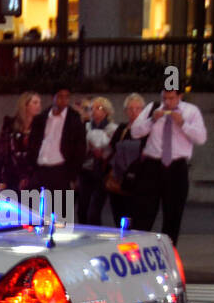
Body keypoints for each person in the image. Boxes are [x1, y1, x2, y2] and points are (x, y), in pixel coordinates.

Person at [128, 86, 207, 243]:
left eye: (171, 98)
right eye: (165, 98)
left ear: (180, 96)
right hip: (152, 165)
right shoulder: (153, 108)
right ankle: (138, 248)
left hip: (176, 166)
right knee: (144, 212)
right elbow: (135, 132)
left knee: (173, 214)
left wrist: (183, 123)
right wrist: (152, 120)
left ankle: (169, 250)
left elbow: (201, 138)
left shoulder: (191, 111)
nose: (167, 102)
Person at [26, 85, 84, 196]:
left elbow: (80, 148)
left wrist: (72, 174)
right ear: (53, 97)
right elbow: (33, 143)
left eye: (67, 97)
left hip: (60, 170)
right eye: (60, 96)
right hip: (40, 168)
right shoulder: (41, 118)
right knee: (31, 203)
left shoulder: (74, 119)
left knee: (60, 205)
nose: (64, 100)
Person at [104, 93, 147, 227]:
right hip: (120, 177)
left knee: (136, 219)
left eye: (138, 108)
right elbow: (112, 149)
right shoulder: (122, 129)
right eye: (130, 109)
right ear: (125, 111)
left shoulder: (147, 130)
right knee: (119, 216)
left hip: (139, 179)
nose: (134, 112)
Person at [76, 96, 117, 226]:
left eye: (98, 108)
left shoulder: (112, 128)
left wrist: (103, 153)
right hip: (86, 170)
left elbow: (113, 150)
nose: (94, 111)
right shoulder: (86, 127)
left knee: (93, 212)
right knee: (82, 210)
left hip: (102, 172)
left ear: (106, 111)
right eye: (91, 108)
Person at [0, 91, 40, 192]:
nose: (39, 106)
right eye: (35, 103)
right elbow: (1, 153)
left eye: (39, 103)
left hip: (32, 178)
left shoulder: (39, 127)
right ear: (25, 105)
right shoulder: (10, 125)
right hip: (11, 176)